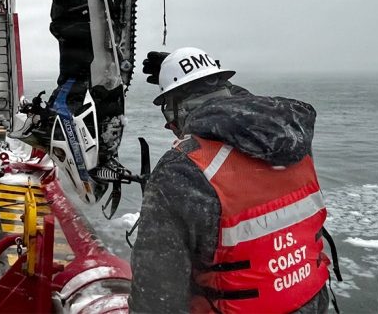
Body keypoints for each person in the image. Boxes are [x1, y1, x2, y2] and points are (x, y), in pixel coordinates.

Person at [129, 47, 339, 314]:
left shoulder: (181, 171)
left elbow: (156, 294)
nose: (169, 126)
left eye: (169, 115)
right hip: (312, 304)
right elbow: (242, 114)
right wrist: (191, 73)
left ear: (177, 111)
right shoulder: (288, 139)